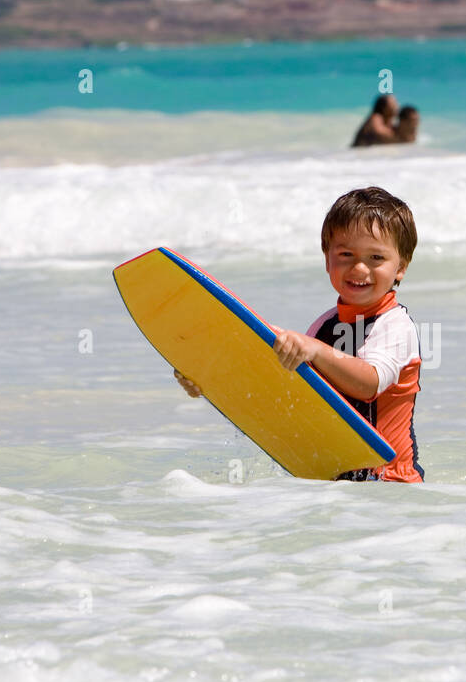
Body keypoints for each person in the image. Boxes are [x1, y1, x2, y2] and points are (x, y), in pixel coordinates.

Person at [175, 186, 424, 483]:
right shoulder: (323, 327)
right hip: (338, 484)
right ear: (327, 258)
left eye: (375, 258)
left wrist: (315, 350)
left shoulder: (395, 324)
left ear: (401, 268)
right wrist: (209, 382)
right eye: (345, 254)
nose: (359, 268)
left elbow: (369, 382)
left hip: (391, 487)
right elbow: (289, 398)